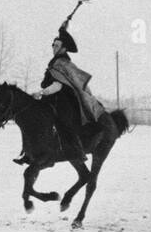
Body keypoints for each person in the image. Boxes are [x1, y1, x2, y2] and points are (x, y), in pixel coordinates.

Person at [31, 21, 106, 161]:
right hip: (52, 99)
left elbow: (58, 85)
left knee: (64, 123)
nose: (53, 48)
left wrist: (41, 92)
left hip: (64, 101)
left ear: (64, 49)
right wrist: (63, 27)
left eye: (57, 46)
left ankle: (78, 151)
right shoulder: (55, 62)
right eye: (53, 45)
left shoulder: (63, 64)